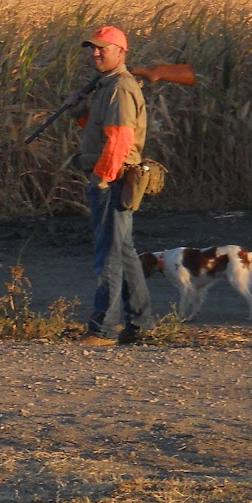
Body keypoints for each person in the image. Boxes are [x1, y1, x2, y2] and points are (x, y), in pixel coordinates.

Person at [75, 25, 153, 346]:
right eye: (92, 48)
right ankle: (141, 322)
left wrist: (102, 181)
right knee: (123, 250)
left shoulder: (120, 88)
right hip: (114, 177)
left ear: (121, 52)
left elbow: (120, 141)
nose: (95, 53)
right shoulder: (109, 87)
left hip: (115, 179)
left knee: (108, 254)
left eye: (102, 48)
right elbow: (98, 130)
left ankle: (104, 330)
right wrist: (79, 112)